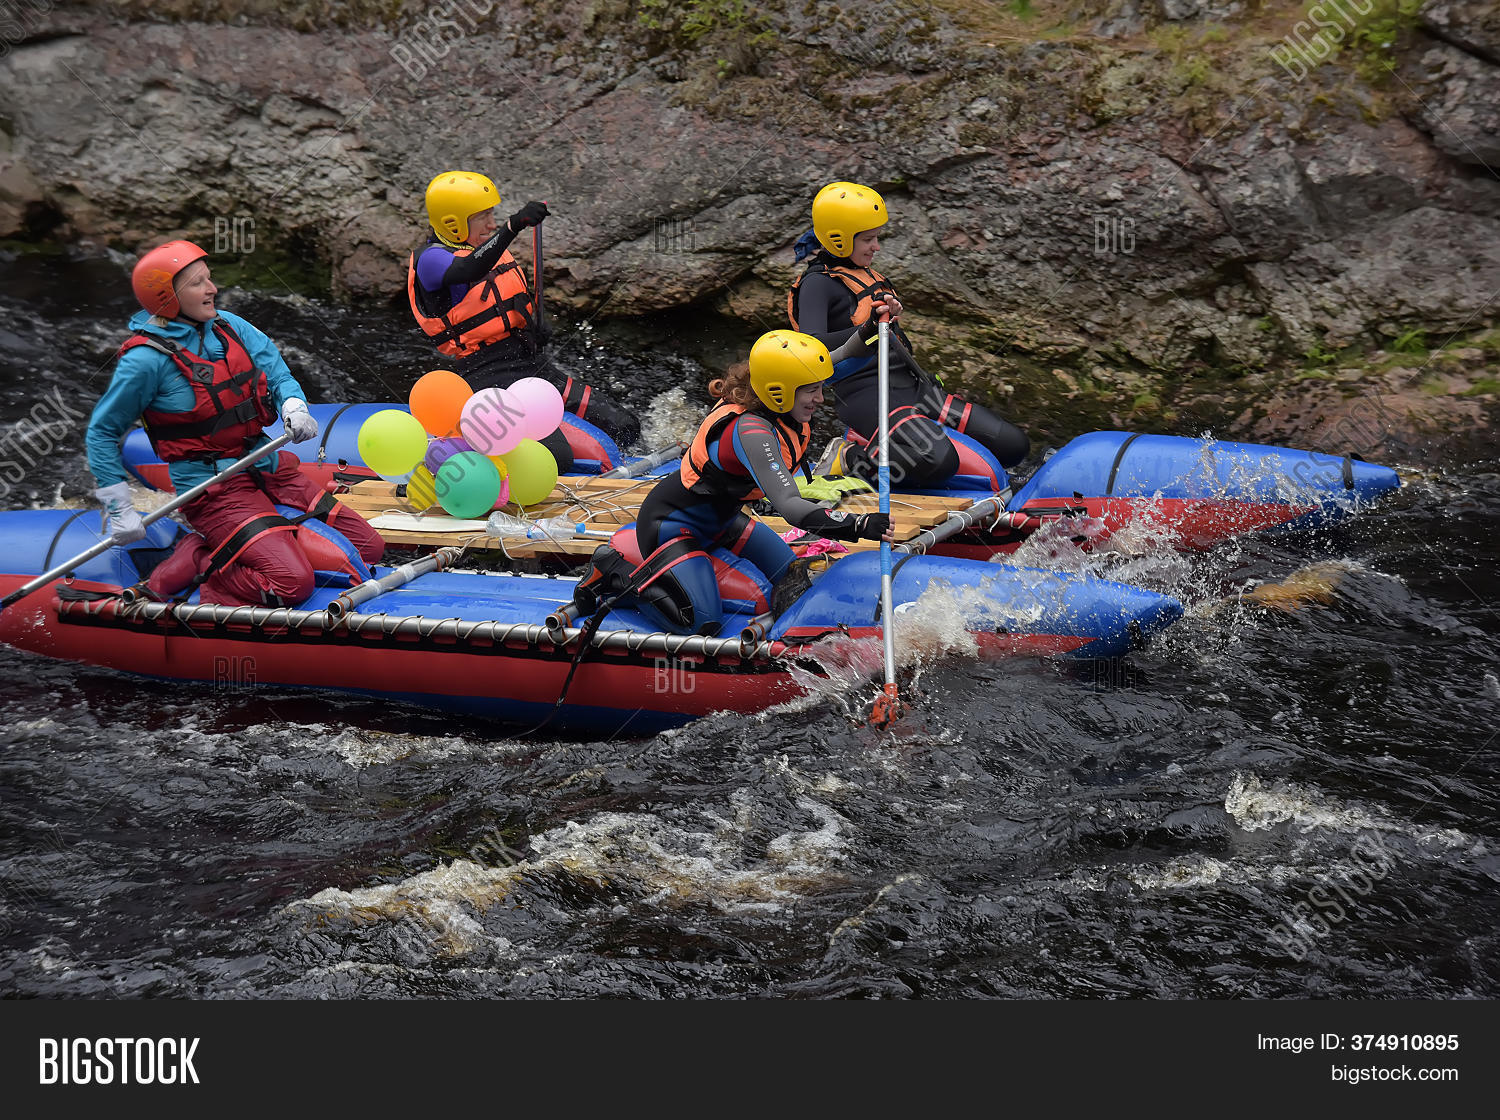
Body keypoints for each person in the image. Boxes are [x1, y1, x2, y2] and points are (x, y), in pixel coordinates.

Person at [86, 239, 385, 606]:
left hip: (268, 465)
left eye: (209, 279)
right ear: (167, 297)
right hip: (213, 490)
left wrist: (293, 404)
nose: (212, 289)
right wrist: (118, 507)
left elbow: (277, 373)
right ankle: (201, 560)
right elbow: (101, 433)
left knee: (370, 548)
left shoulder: (229, 326)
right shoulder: (145, 362)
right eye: (198, 283)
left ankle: (260, 544)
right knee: (292, 584)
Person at [628, 329, 893, 636]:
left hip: (723, 523)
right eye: (813, 391)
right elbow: (791, 507)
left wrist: (872, 329)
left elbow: (846, 353)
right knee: (702, 623)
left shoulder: (779, 395)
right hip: (670, 528)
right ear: (779, 390)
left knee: (794, 578)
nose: (820, 398)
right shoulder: (751, 432)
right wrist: (857, 525)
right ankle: (620, 577)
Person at [787, 180, 1029, 488]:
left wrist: (889, 315)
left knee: (1013, 445)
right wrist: (868, 327)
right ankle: (848, 457)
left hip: (913, 387)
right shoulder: (817, 284)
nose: (876, 246)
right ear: (838, 240)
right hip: (867, 396)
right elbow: (810, 349)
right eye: (868, 240)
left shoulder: (869, 275)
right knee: (939, 461)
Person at [407, 170, 642, 467]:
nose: (491, 224)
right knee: (558, 456)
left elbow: (506, 303)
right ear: (452, 222)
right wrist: (513, 225)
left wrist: (534, 328)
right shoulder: (431, 259)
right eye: (483, 217)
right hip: (487, 377)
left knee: (625, 425)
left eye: (493, 215)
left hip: (530, 364)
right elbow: (466, 271)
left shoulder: (480, 249)